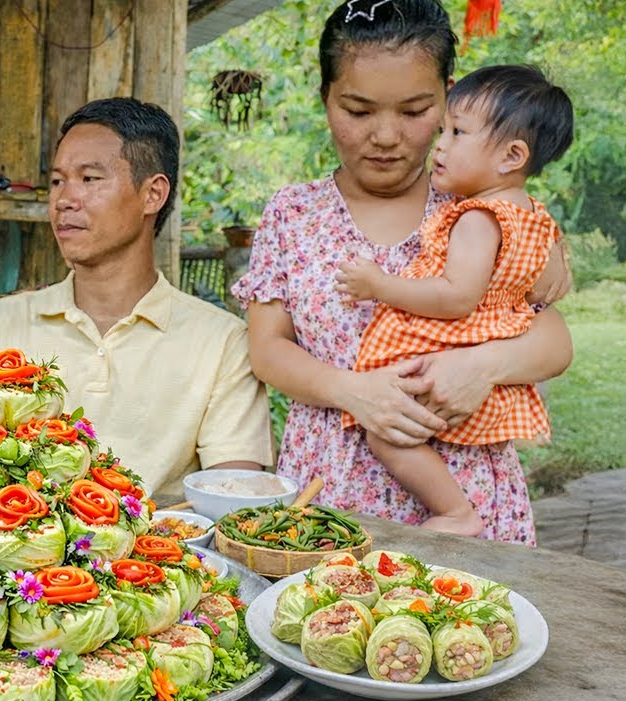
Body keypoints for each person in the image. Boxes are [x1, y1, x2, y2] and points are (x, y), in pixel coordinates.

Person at [232, 0, 573, 546]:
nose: (386, 136)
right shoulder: (293, 212)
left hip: (470, 491)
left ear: (449, 100)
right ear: (325, 99)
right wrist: (351, 391)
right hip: (332, 487)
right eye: (359, 111)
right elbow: (268, 348)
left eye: (415, 111)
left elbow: (553, 339)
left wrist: (482, 366)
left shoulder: (488, 213)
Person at [0, 97, 274, 497]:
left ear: (153, 194)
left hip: (158, 556)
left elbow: (234, 505)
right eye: (58, 181)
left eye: (90, 179)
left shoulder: (222, 343)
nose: (64, 200)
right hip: (7, 553)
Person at [335, 65, 575, 536]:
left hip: (443, 363)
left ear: (511, 156)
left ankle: (455, 511)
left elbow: (456, 296)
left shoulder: (476, 217)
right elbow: (541, 291)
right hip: (486, 363)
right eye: (444, 129)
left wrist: (379, 284)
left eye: (458, 132)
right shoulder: (535, 216)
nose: (440, 145)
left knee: (385, 434)